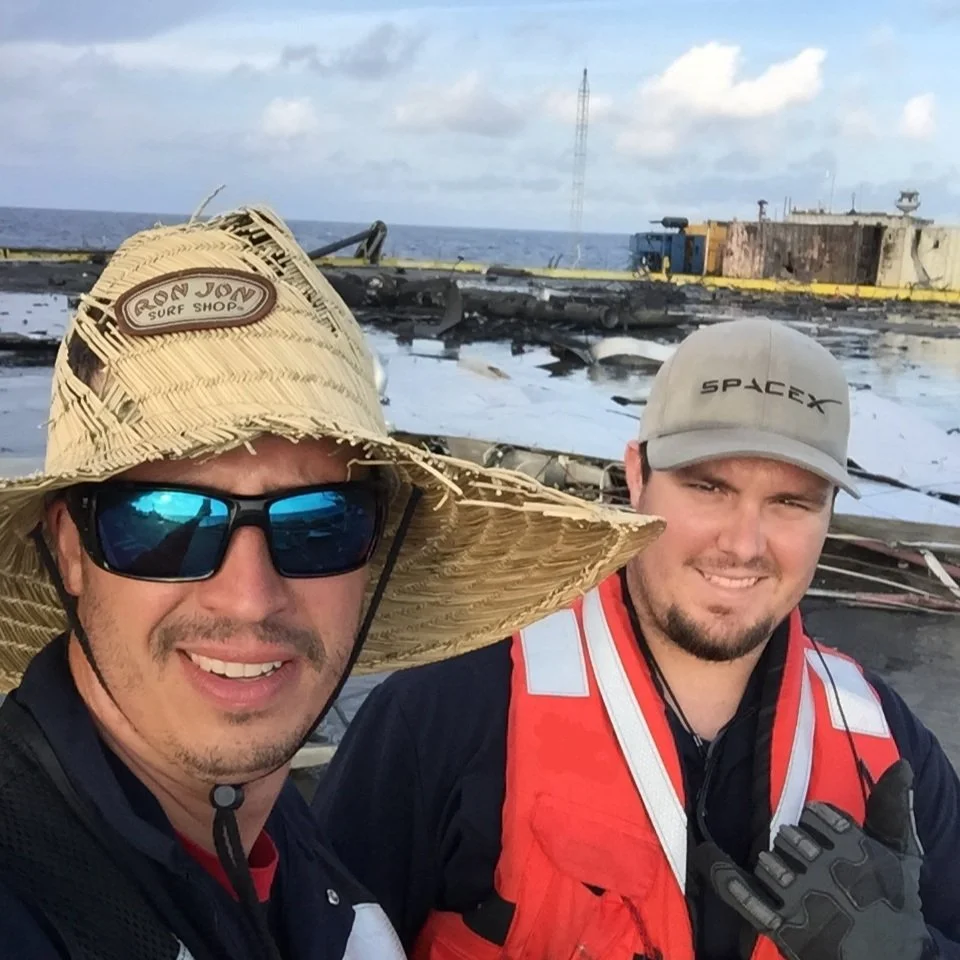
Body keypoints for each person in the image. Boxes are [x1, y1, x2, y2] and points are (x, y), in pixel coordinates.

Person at [0, 205, 661, 960]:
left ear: (373, 550)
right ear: (69, 548)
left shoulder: (280, 844)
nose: (250, 597)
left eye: (319, 523)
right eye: (165, 522)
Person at [313, 317, 960, 960]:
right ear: (636, 475)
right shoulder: (450, 714)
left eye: (792, 502)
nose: (743, 544)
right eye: (709, 487)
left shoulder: (889, 752)